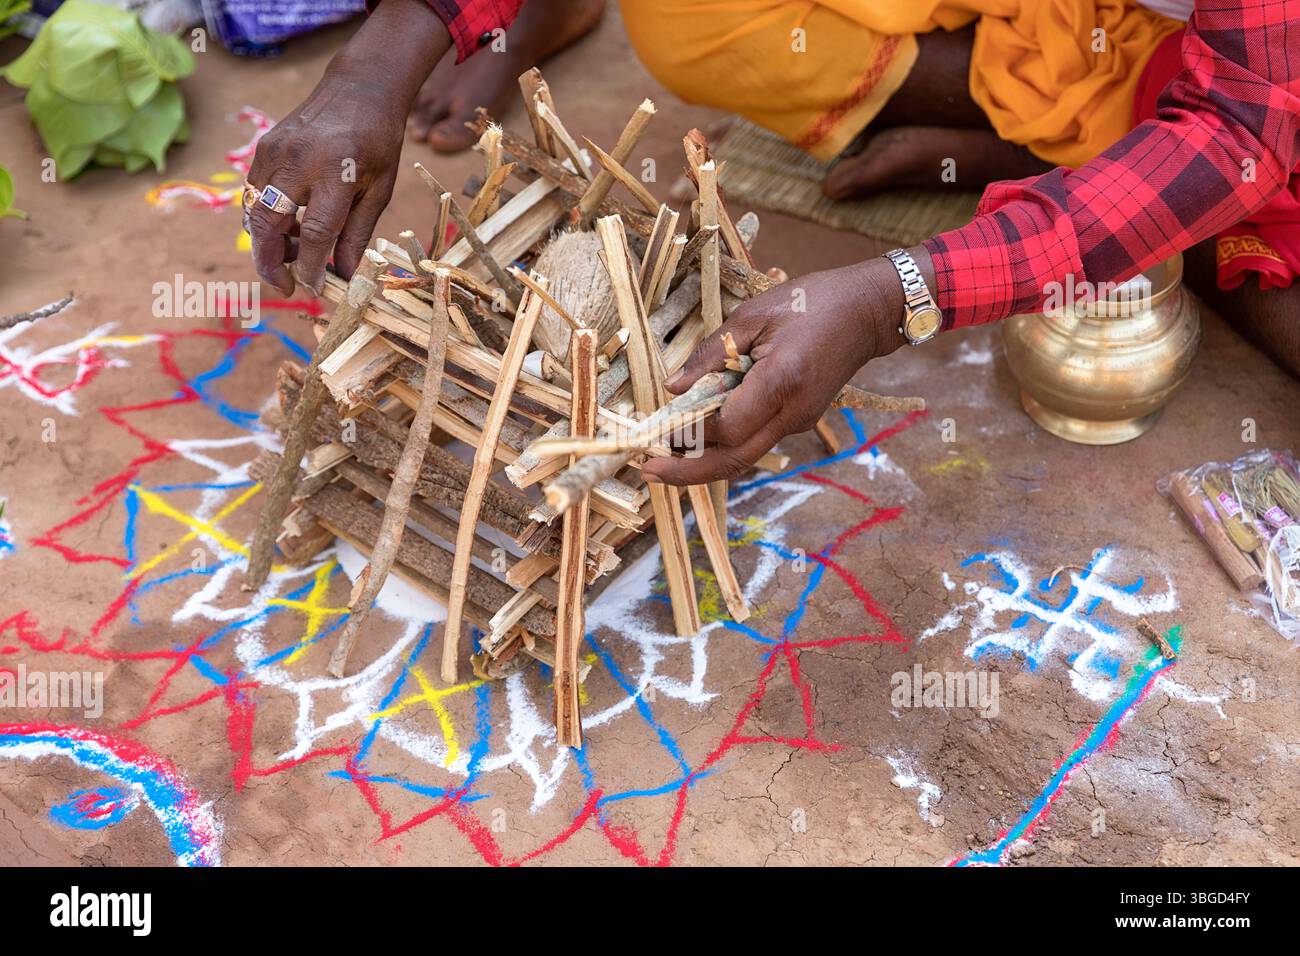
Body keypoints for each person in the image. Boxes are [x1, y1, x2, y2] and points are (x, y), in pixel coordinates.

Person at [244, 0, 1299, 489]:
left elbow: (1240, 126)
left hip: (1240, 65)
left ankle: (1047, 147)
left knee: (1241, 200)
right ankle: (1043, 129)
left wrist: (895, 296)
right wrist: (379, 61)